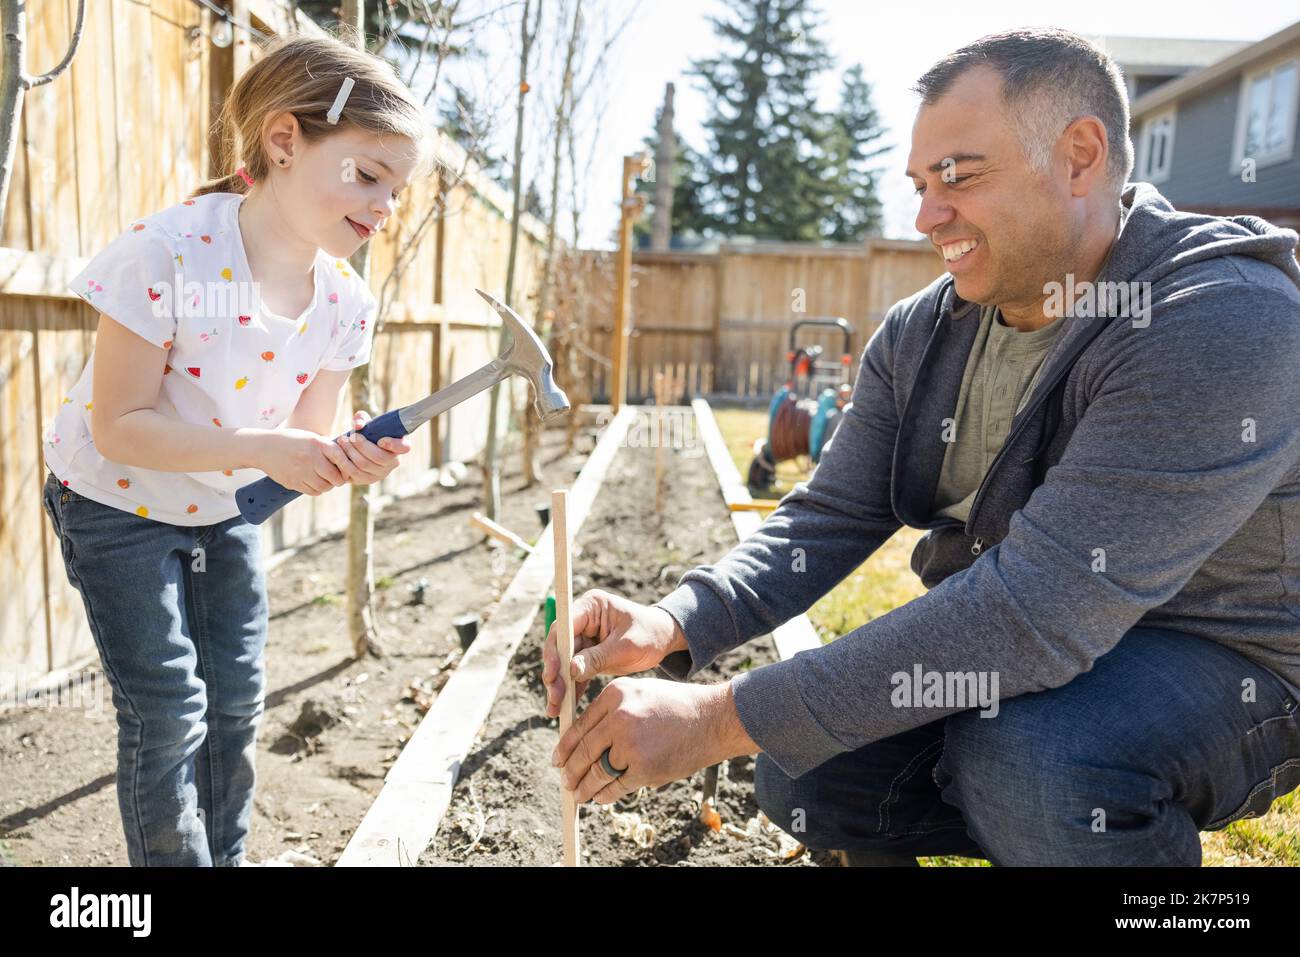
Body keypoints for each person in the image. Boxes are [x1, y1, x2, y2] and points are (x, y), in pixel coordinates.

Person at [542, 27, 1300, 866]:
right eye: (918, 183)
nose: (926, 214)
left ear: (1080, 156)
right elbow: (832, 511)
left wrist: (721, 719)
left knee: (1037, 762)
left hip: (1233, 659)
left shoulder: (1221, 316)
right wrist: (675, 620)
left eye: (959, 176)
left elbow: (1037, 609)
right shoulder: (923, 333)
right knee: (809, 770)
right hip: (1051, 641)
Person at [41, 32, 430, 866]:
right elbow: (119, 426)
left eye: (398, 190)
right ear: (284, 141)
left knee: (235, 706)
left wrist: (343, 455)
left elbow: (308, 432)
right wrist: (269, 446)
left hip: (225, 510)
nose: (385, 206)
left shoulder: (344, 302)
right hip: (114, 500)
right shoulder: (168, 254)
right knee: (171, 708)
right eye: (368, 176)